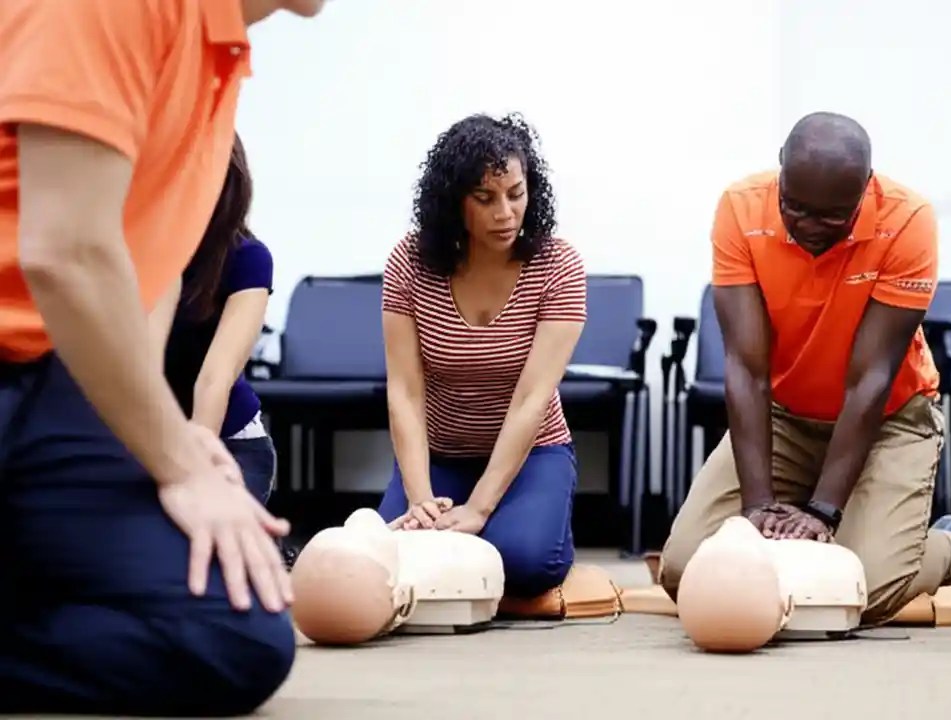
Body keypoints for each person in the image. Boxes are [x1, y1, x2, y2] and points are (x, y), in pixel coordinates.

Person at [0, 0, 325, 715]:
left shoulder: (219, 60)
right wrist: (175, 456)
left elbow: (136, 275)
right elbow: (67, 253)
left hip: (53, 382)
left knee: (233, 635)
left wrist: (173, 443)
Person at [658, 111, 951, 626]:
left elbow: (870, 379)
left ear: (866, 188)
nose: (811, 228)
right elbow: (746, 370)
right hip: (786, 417)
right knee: (685, 570)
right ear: (780, 172)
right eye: (795, 208)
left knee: (865, 590)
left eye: (833, 216)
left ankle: (946, 546)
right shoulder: (740, 209)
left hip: (889, 420)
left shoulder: (907, 220)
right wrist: (757, 508)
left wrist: (822, 511)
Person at [375, 113, 587, 599]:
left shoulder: (558, 264)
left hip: (532, 454)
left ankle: (537, 520)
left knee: (526, 564)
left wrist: (480, 509)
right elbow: (405, 391)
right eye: (485, 198)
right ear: (454, 201)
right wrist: (421, 498)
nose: (506, 213)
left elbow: (532, 398)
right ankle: (481, 528)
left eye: (516, 193)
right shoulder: (409, 261)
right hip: (442, 456)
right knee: (394, 555)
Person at [163, 133, 277, 505]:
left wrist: (196, 477)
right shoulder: (142, 250)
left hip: (227, 442)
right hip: (150, 434)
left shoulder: (248, 257)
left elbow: (215, 378)